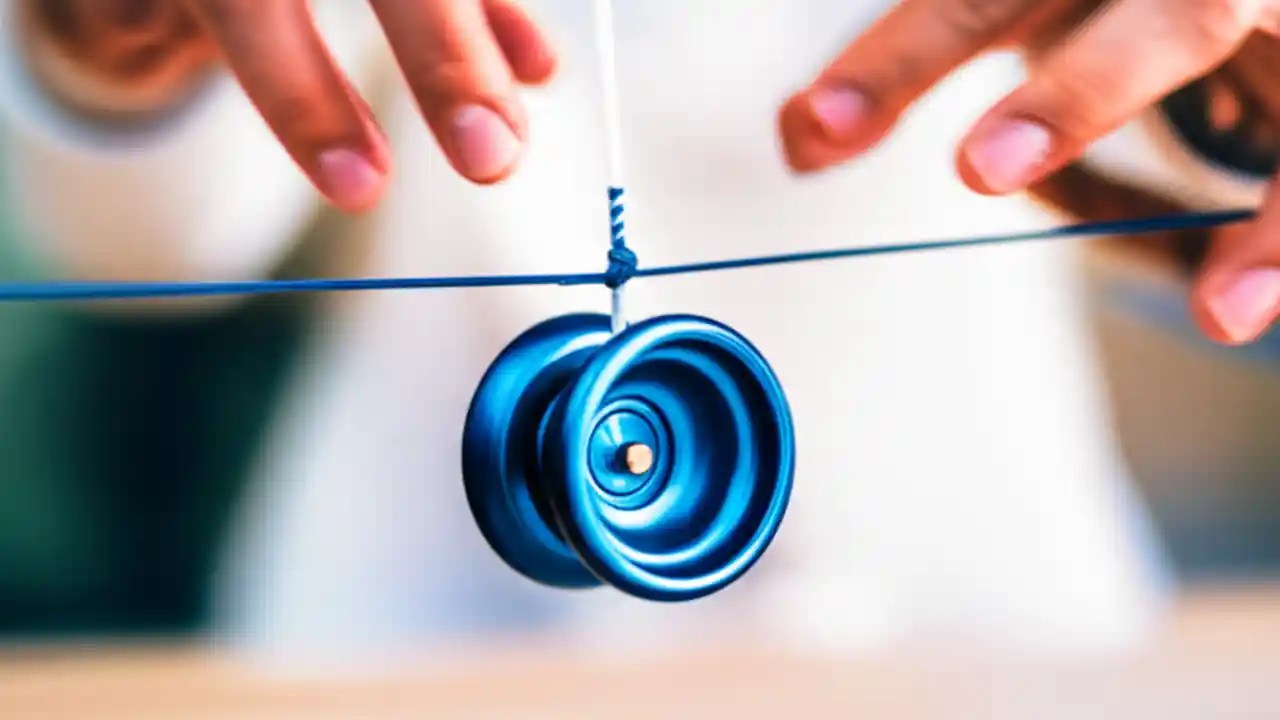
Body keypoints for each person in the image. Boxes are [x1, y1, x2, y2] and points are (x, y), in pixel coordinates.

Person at [0, 0, 1199, 656]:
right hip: (411, 635)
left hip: (983, 621)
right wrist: (109, 45)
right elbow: (150, 254)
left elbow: (1177, 200)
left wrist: (1228, 119)